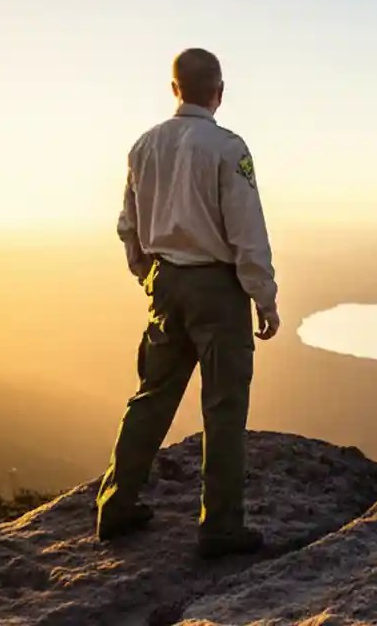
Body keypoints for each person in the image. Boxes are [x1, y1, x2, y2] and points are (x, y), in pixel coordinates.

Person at [96, 47, 280, 559]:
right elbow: (247, 231)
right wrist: (263, 296)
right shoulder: (228, 147)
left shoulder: (144, 146)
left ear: (174, 89)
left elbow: (127, 225)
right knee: (223, 408)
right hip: (217, 291)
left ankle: (115, 504)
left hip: (165, 284)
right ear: (219, 92)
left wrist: (147, 273)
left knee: (152, 394)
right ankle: (220, 527)